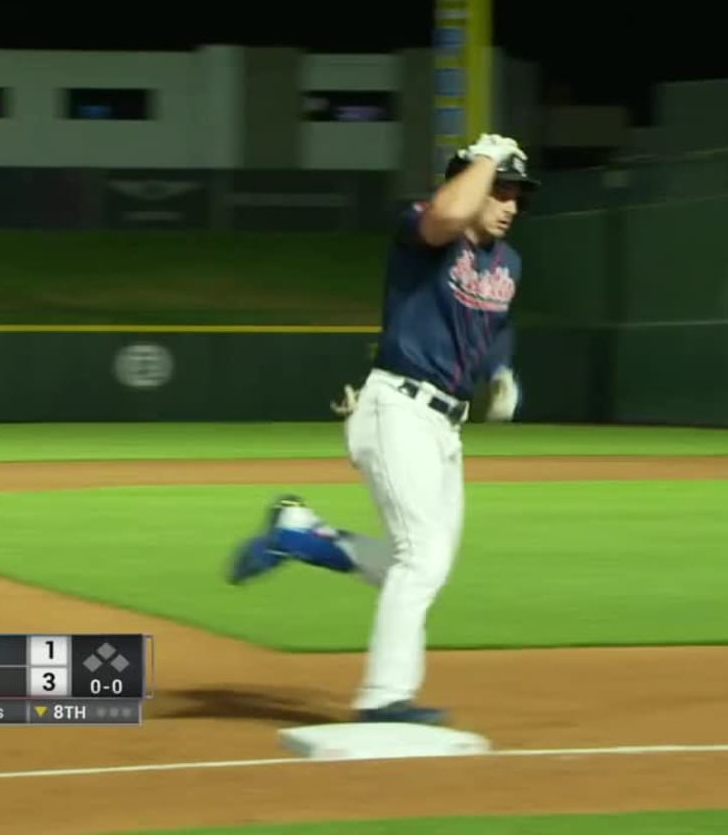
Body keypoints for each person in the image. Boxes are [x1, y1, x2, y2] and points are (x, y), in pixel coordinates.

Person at [225, 133, 538, 726]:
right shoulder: (425, 230)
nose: (512, 202)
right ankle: (383, 697)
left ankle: (298, 534)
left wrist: (500, 373)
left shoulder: (510, 263)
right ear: (469, 183)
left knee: (426, 564)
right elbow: (447, 213)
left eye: (518, 193)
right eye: (501, 189)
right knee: (421, 559)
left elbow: (499, 325)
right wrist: (483, 162)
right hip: (397, 407)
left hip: (446, 426)